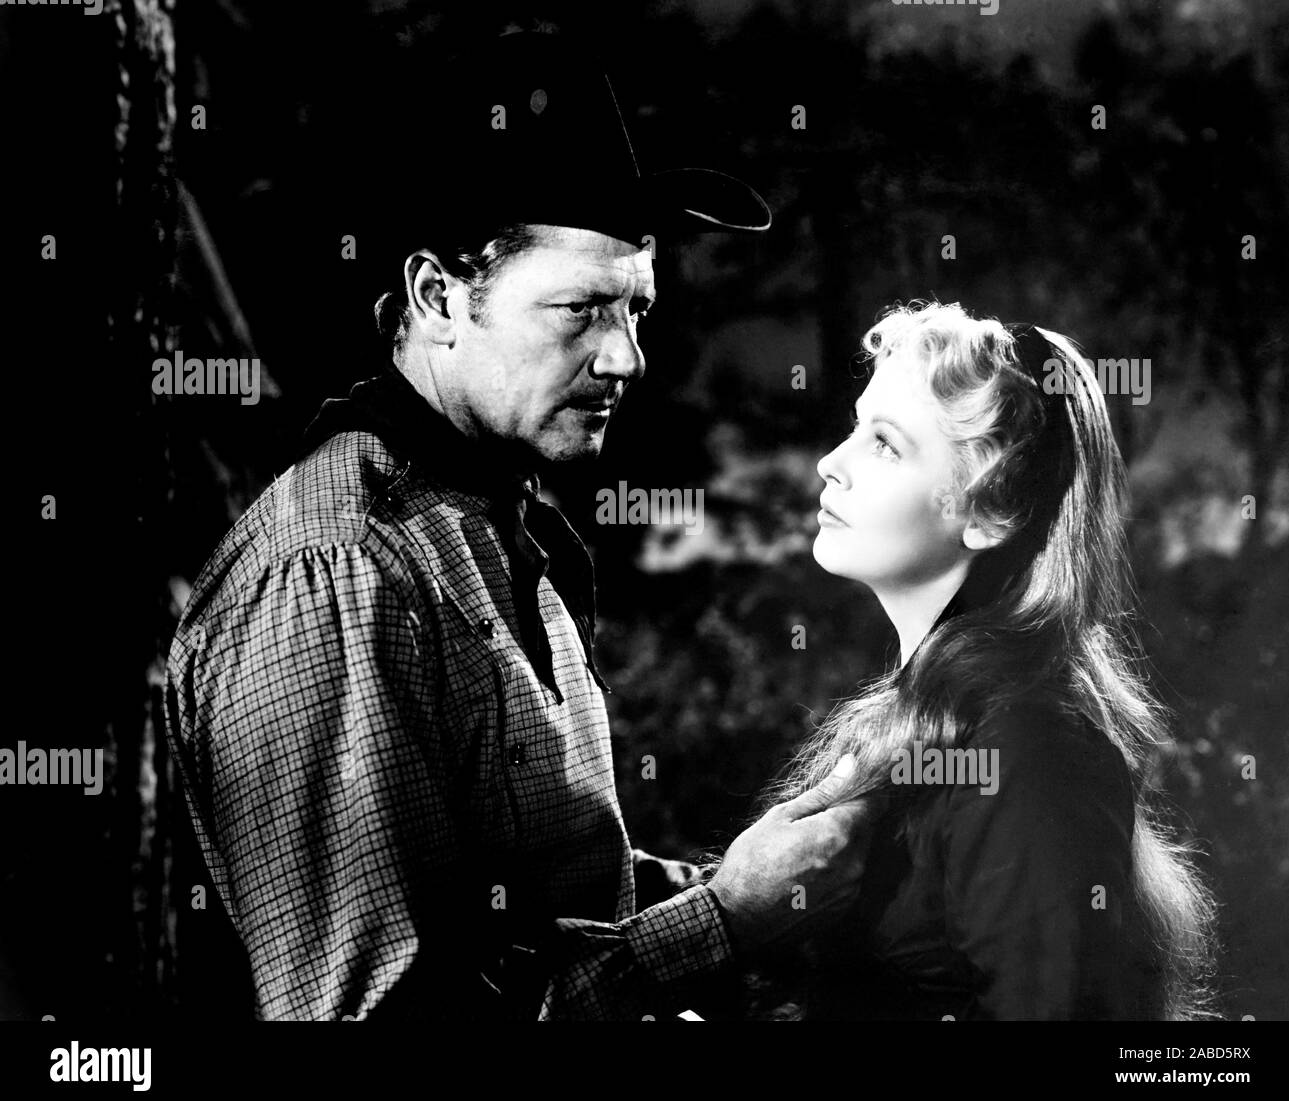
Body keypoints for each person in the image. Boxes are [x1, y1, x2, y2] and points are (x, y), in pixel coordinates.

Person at [162, 30, 872, 1021]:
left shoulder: (497, 528)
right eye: (580, 310)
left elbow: (548, 905)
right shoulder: (337, 568)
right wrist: (725, 923)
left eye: (637, 311)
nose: (625, 359)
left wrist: (764, 891)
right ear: (437, 298)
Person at [752, 300, 1218, 1020]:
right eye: (855, 426)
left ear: (991, 510)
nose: (830, 463)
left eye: (884, 444)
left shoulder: (1028, 746)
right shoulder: (920, 717)